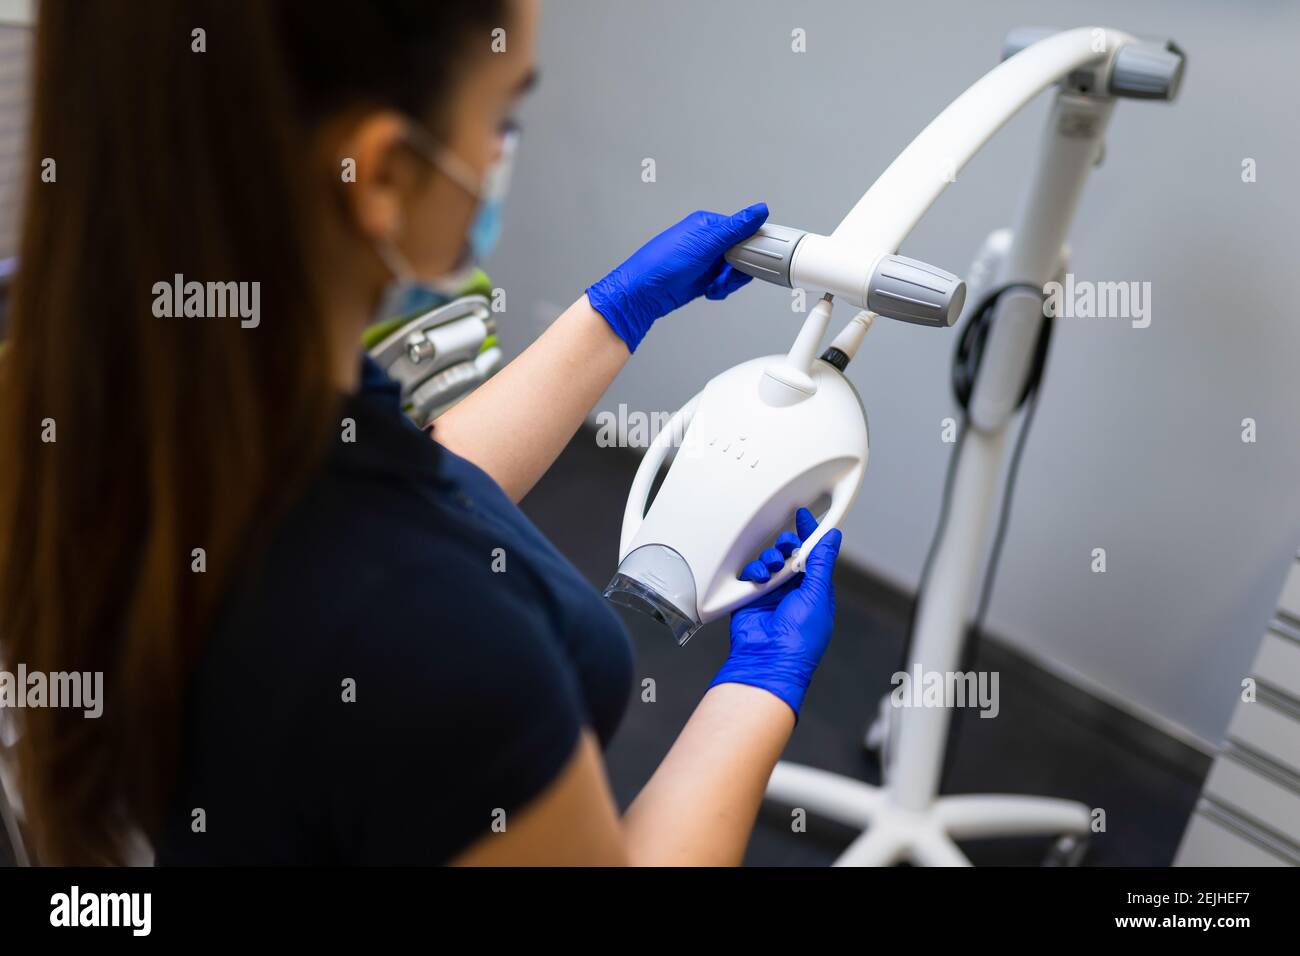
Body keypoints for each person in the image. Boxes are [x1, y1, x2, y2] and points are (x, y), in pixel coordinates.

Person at [0, 0, 843, 865]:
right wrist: (758, 690)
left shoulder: (110, 417)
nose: (498, 153)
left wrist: (614, 312)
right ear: (384, 176)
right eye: (502, 115)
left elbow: (397, 496)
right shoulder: (443, 654)